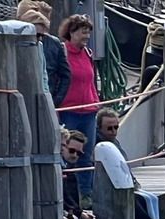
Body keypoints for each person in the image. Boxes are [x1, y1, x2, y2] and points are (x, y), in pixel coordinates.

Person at [57, 15, 100, 194]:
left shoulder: (88, 53)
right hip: (70, 112)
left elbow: (91, 81)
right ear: (71, 32)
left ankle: (86, 194)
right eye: (83, 32)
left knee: (86, 155)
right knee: (68, 153)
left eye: (88, 32)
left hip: (89, 111)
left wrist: (96, 101)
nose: (87, 36)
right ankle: (67, 192)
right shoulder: (63, 52)